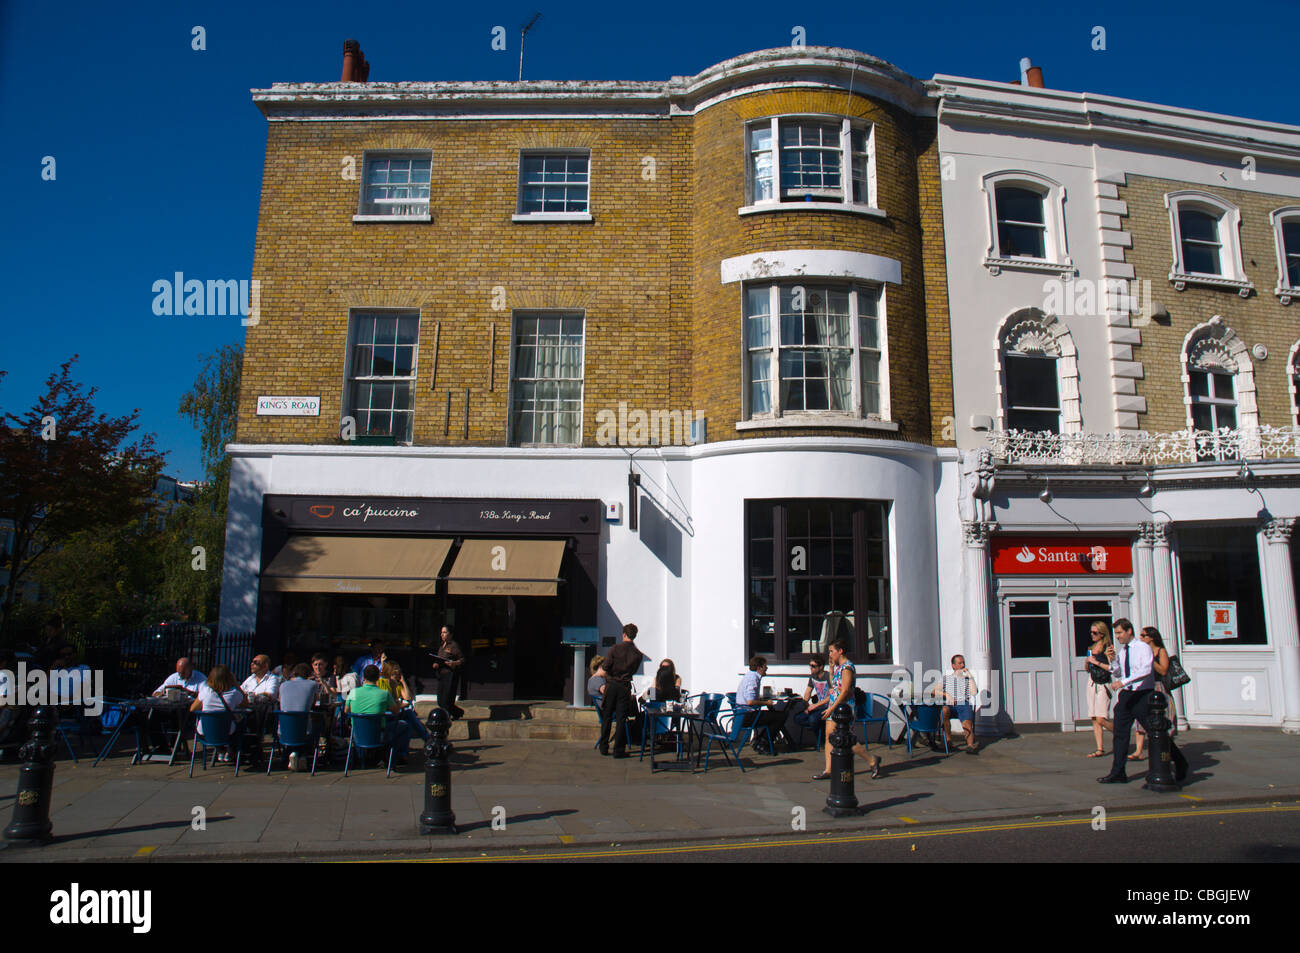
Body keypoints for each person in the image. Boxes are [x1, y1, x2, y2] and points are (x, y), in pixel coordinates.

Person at [813, 637, 883, 781]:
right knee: (828, 736)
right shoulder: (839, 667)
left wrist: (832, 708)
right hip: (834, 706)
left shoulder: (847, 667)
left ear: (840, 651)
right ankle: (828, 769)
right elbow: (833, 685)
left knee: (846, 739)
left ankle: (871, 759)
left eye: (832, 651)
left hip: (843, 708)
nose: (830, 654)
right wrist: (831, 669)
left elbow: (845, 691)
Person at [1098, 618, 1157, 783]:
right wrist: (1113, 660)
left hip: (1142, 694)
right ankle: (1118, 772)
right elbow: (1118, 673)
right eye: (1115, 633)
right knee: (1120, 733)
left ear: (1129, 631)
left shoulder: (1143, 648)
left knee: (1155, 732)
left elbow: (1145, 670)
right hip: (1127, 695)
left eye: (1119, 633)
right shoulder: (1123, 652)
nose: (1117, 637)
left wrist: (1123, 682)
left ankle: (1177, 762)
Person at [1131, 626, 1189, 780]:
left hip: (1158, 689)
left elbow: (1163, 670)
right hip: (1145, 688)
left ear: (1151, 637)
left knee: (1162, 728)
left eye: (1143, 635)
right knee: (1148, 726)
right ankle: (1159, 761)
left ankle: (1172, 762)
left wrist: (1150, 659)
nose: (1141, 638)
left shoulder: (1160, 651)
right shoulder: (1142, 651)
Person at [346, 664, 412, 766]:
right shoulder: (384, 694)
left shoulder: (353, 692)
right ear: (377, 678)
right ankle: (396, 757)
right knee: (404, 725)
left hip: (357, 734)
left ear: (363, 677)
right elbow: (396, 711)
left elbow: (346, 710)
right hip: (378, 734)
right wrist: (394, 690)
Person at [599, 624, 645, 758]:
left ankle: (604, 746)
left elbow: (606, 666)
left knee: (607, 716)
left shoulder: (615, 649)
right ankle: (619, 750)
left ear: (624, 634)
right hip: (625, 687)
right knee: (621, 718)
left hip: (612, 684)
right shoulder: (637, 654)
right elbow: (634, 671)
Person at [189, 664, 248, 762]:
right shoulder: (234, 693)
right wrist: (236, 684)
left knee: (214, 727)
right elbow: (246, 703)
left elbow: (192, 708)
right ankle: (230, 750)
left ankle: (221, 751)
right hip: (227, 733)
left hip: (205, 733)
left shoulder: (205, 691)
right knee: (241, 722)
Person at [736, 656, 793, 754]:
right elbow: (750, 702)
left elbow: (751, 698)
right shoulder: (753, 679)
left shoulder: (750, 676)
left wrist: (763, 701)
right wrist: (766, 703)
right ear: (759, 667)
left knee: (776, 716)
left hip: (743, 714)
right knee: (780, 716)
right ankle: (762, 742)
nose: (766, 668)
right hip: (746, 716)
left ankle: (760, 740)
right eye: (765, 666)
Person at [938, 654, 981, 754]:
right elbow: (934, 691)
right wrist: (946, 694)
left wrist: (970, 676)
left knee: (967, 724)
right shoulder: (946, 678)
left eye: (963, 663)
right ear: (953, 666)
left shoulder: (967, 679)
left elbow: (974, 692)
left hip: (963, 704)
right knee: (944, 710)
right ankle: (948, 740)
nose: (962, 665)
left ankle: (970, 745)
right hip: (950, 704)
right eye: (959, 663)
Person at [1084, 622, 1115, 759]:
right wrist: (1087, 661)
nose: (1092, 635)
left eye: (1095, 633)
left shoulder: (1108, 648)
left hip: (1103, 684)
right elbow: (1087, 668)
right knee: (1094, 718)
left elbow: (1112, 668)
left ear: (1102, 634)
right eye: (1091, 632)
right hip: (1092, 682)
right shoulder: (1091, 648)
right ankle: (1099, 748)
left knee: (1102, 718)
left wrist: (1097, 662)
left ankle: (1120, 733)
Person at [791, 654, 831, 747]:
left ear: (821, 667)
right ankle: (820, 727)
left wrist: (815, 706)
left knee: (812, 719)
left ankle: (821, 740)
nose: (811, 668)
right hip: (818, 707)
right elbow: (808, 691)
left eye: (813, 666)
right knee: (798, 718)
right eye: (810, 666)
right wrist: (806, 705)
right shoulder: (812, 677)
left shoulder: (828, 676)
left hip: (827, 706)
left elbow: (832, 696)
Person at [430, 624, 465, 719]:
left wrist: (454, 663)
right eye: (441, 632)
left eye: (445, 632)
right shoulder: (442, 645)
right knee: (440, 699)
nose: (442, 634)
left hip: (450, 674)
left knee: (447, 699)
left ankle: (446, 717)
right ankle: (458, 712)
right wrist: (436, 663)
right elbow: (440, 658)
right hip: (442, 675)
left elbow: (462, 659)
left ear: (450, 634)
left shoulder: (454, 646)